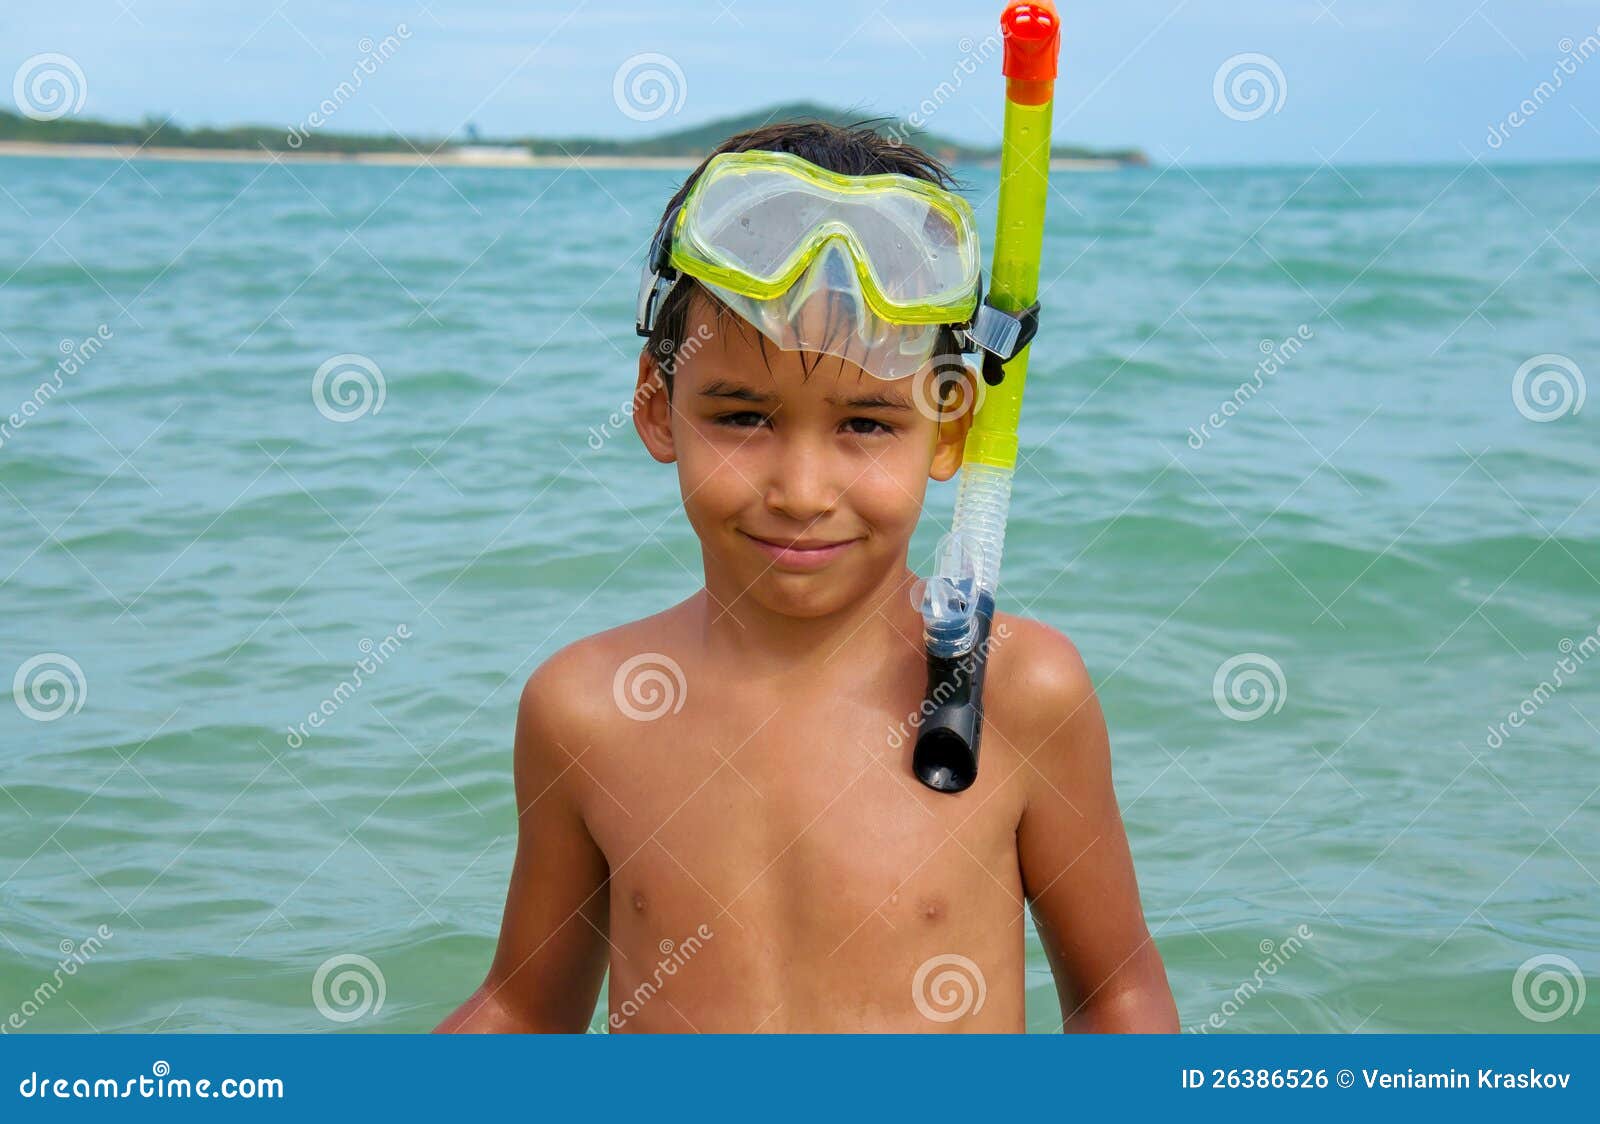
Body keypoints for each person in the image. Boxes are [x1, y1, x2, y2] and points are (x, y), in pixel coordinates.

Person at [436, 120, 1177, 1033]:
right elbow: (522, 1010)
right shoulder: (587, 709)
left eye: (866, 425)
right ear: (654, 404)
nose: (800, 490)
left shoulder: (1024, 691)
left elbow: (1119, 996)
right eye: (743, 416)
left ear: (950, 431)